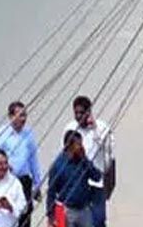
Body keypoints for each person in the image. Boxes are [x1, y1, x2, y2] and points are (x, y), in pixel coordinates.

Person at [0, 102, 41, 227]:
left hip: (25, 180)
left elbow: (33, 160)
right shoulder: (2, 134)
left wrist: (37, 183)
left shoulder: (28, 134)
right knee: (8, 214)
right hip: (8, 181)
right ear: (11, 116)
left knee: (26, 214)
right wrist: (5, 166)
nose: (24, 119)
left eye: (25, 115)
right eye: (20, 115)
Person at [64, 97, 114, 227]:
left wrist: (95, 129)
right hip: (78, 182)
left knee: (98, 219)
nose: (79, 116)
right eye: (76, 113)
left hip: (96, 182)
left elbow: (109, 150)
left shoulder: (102, 127)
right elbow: (65, 154)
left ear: (89, 112)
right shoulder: (70, 129)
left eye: (82, 112)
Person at [46, 131, 102, 227]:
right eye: (78, 144)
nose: (81, 147)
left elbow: (97, 177)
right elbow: (51, 191)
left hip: (84, 209)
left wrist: (85, 160)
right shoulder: (58, 165)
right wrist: (51, 215)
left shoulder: (83, 161)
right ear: (69, 146)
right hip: (65, 209)